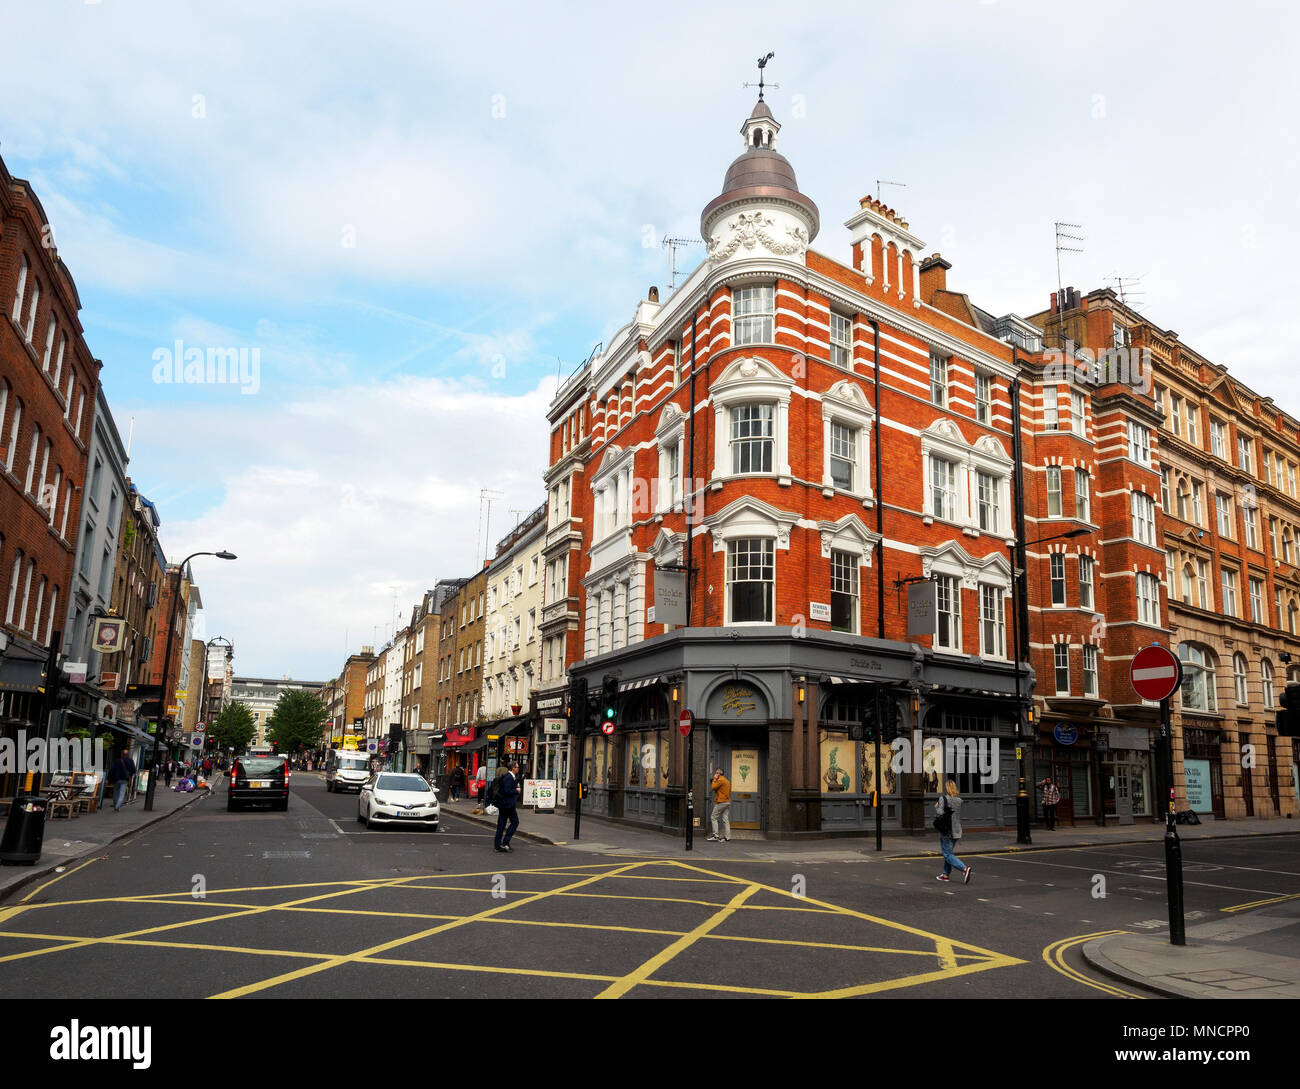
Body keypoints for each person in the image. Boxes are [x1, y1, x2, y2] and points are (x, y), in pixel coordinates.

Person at [934, 779, 972, 884]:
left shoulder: (943, 798)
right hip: (957, 830)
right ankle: (946, 875)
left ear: (946, 788)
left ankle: (964, 869)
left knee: (947, 854)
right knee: (949, 853)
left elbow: (940, 813)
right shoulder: (960, 800)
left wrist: (937, 806)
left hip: (946, 830)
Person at [494, 761, 521, 852]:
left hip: (505, 804)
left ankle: (498, 845)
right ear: (513, 768)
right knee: (515, 822)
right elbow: (506, 791)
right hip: (507, 805)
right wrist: (516, 790)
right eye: (517, 767)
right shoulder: (509, 777)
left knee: (501, 825)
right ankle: (505, 842)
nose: (518, 769)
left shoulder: (509, 777)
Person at [707, 768, 731, 843]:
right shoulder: (727, 781)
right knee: (725, 819)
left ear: (718, 773)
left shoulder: (720, 780)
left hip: (721, 802)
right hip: (727, 802)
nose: (715, 774)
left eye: (716, 773)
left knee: (713, 817)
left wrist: (714, 779)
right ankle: (727, 837)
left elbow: (713, 787)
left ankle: (715, 835)